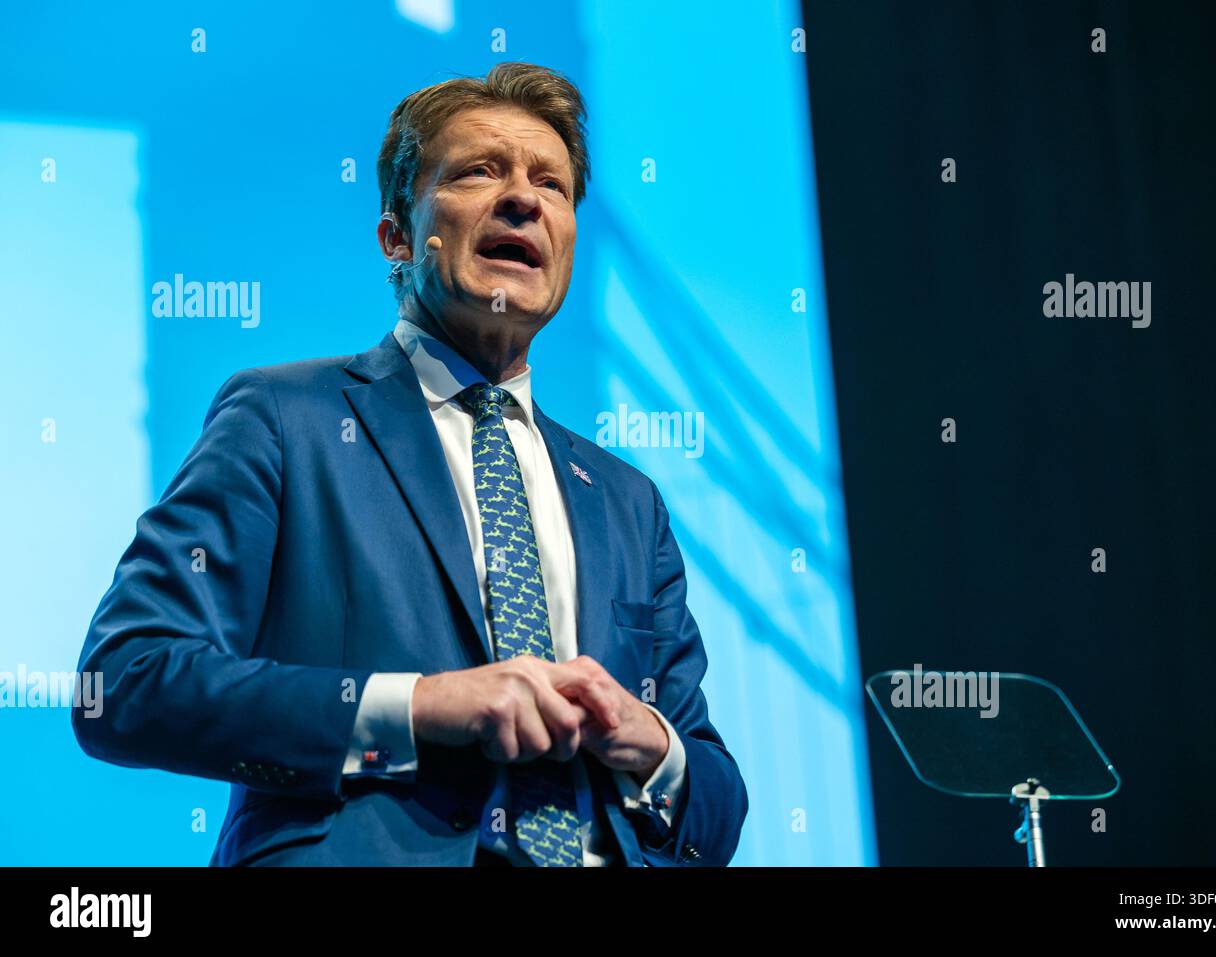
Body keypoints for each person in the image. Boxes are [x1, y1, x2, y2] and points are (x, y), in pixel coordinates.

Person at [72, 61, 747, 867]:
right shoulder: (288, 420)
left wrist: (654, 744)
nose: (524, 200)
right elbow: (126, 682)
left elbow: (715, 800)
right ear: (396, 233)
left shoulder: (629, 503)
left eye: (552, 185)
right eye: (478, 171)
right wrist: (418, 706)